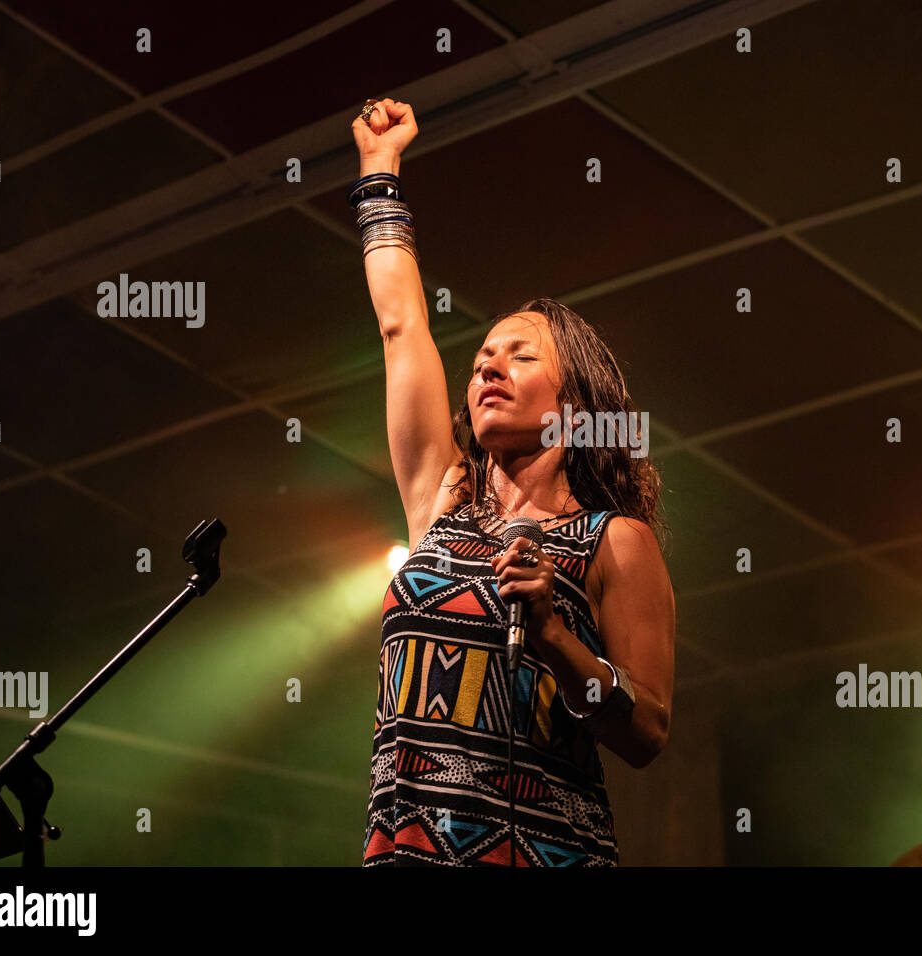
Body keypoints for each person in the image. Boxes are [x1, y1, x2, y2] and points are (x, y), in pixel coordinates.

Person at [350, 98, 676, 866]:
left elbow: (647, 732)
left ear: (572, 405)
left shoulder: (613, 543)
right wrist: (379, 171)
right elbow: (400, 325)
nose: (488, 366)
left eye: (520, 356)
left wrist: (557, 639)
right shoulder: (441, 499)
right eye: (480, 361)